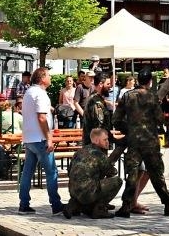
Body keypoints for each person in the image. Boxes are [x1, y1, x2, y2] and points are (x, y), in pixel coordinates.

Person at [113, 70, 169, 218]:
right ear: (150, 82)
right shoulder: (153, 97)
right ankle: (168, 204)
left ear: (137, 80)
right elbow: (160, 119)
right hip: (150, 142)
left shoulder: (127, 96)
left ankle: (126, 206)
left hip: (134, 141)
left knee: (132, 174)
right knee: (156, 174)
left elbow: (116, 119)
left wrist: (129, 129)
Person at [17, 66, 65, 215]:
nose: (50, 78)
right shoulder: (40, 93)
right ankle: (56, 204)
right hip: (40, 138)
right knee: (51, 172)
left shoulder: (29, 92)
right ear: (42, 78)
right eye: (48, 75)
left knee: (27, 172)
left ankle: (24, 204)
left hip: (29, 138)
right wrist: (49, 138)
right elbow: (41, 117)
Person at [64, 128, 122, 219]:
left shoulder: (80, 151)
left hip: (73, 191)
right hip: (87, 192)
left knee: (91, 180)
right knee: (117, 181)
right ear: (96, 141)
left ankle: (74, 205)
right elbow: (112, 172)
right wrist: (111, 160)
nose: (107, 142)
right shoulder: (99, 154)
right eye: (105, 140)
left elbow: (69, 171)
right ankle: (99, 209)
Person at [82, 73, 113, 146]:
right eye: (108, 84)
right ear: (101, 84)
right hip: (96, 144)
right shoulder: (95, 101)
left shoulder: (98, 99)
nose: (110, 86)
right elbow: (99, 126)